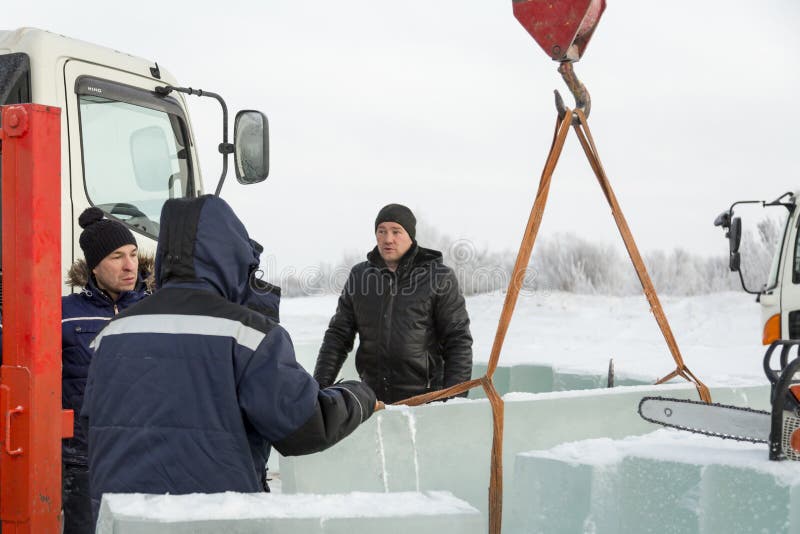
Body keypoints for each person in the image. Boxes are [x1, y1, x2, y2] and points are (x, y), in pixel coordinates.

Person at [80, 195, 377, 525]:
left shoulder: (113, 333)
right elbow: (307, 425)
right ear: (233, 256)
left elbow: (96, 427)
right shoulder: (247, 334)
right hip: (214, 522)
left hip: (122, 523)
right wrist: (360, 394)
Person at [314, 203, 473, 404]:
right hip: (374, 402)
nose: (388, 239)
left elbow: (458, 341)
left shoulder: (439, 278)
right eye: (382, 231)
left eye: (396, 231)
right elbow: (337, 337)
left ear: (410, 235)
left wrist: (453, 401)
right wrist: (319, 388)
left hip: (426, 401)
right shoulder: (360, 276)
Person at [61, 207, 151, 534]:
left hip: (143, 455)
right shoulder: (63, 314)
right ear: (94, 267)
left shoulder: (155, 309)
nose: (130, 266)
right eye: (116, 257)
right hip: (82, 462)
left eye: (132, 254)